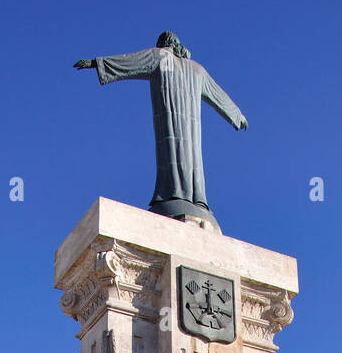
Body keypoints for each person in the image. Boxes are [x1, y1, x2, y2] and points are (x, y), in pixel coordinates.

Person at [75, 31, 247, 223]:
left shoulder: (161, 57)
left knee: (171, 153)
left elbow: (131, 62)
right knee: (192, 156)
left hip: (170, 120)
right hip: (191, 128)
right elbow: (218, 95)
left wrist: (96, 63)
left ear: (164, 45)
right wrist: (237, 115)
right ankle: (195, 198)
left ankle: (172, 194)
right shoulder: (197, 70)